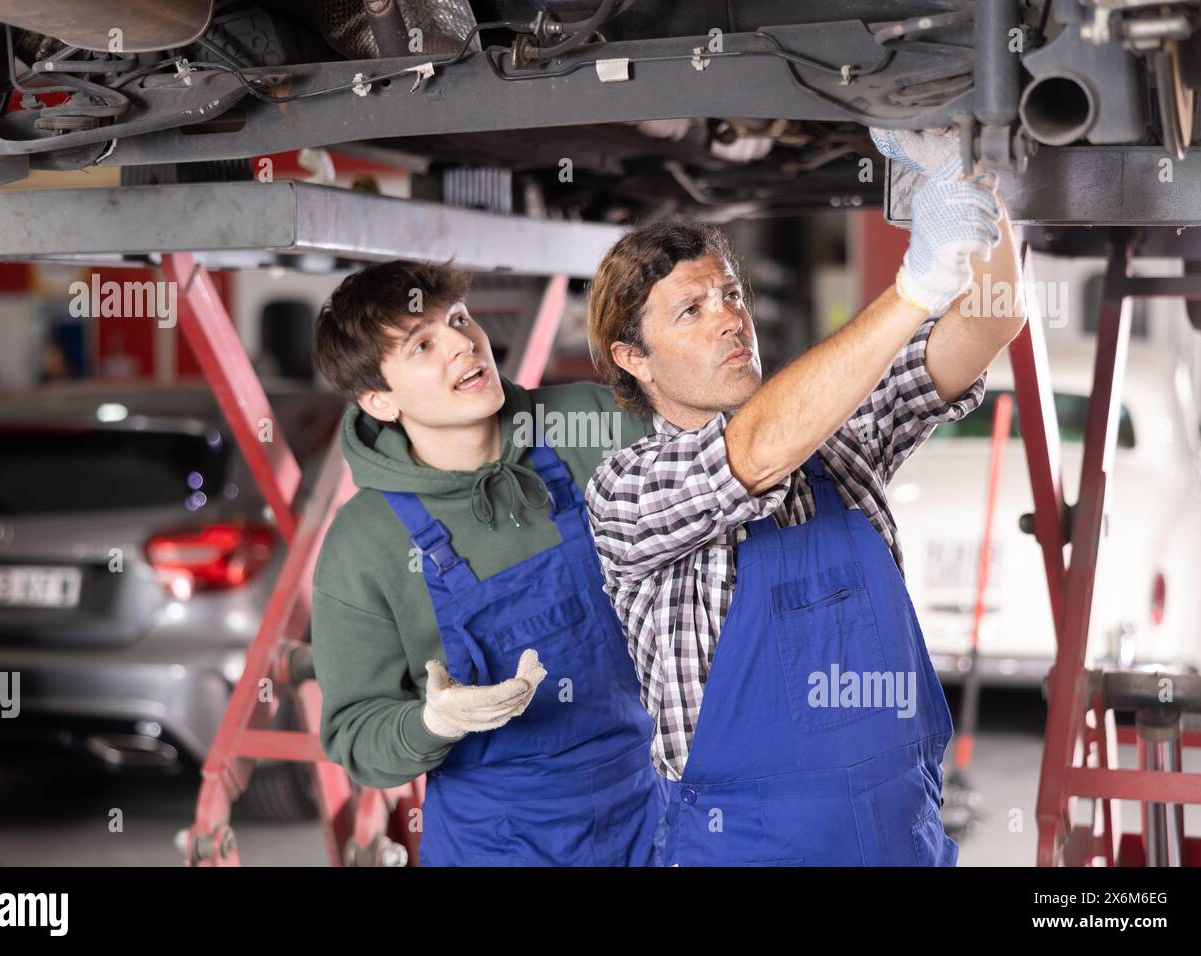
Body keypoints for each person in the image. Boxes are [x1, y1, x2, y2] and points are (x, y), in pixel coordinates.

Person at [582, 128, 1027, 866]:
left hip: (900, 840)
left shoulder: (843, 442)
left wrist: (971, 176)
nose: (729, 317)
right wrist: (913, 286)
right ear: (635, 360)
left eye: (730, 294)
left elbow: (992, 317)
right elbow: (751, 452)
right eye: (690, 311)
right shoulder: (626, 492)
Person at [310, 260, 666, 866]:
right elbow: (356, 738)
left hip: (647, 811)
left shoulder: (588, 424)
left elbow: (727, 455)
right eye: (423, 344)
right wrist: (434, 723)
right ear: (379, 400)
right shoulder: (364, 543)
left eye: (458, 319)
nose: (463, 344)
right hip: (498, 843)